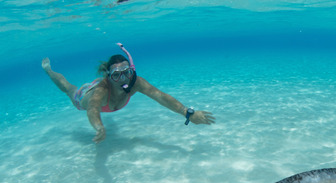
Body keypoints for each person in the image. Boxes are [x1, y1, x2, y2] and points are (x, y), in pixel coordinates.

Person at [42, 43, 215, 143]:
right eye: (117, 75)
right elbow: (93, 108)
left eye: (126, 73)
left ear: (131, 70)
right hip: (83, 96)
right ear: (109, 76)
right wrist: (99, 127)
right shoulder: (101, 91)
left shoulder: (136, 82)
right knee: (68, 88)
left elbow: (160, 96)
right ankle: (49, 70)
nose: (123, 79)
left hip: (104, 89)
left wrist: (187, 112)